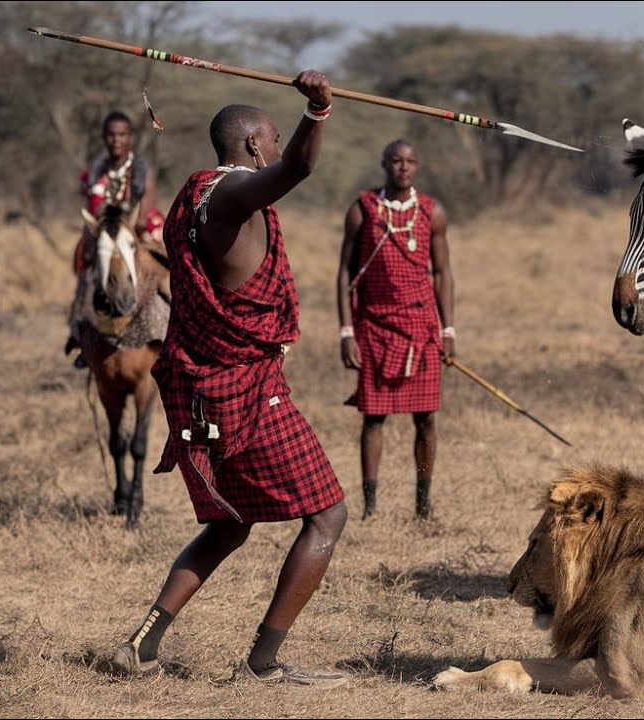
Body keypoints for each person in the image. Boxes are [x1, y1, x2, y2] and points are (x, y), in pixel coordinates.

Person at [110, 70, 349, 687]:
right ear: (251, 146)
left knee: (231, 521)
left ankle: (141, 644)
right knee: (327, 516)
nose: (273, 148)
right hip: (241, 387)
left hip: (204, 385)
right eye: (270, 138)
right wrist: (317, 113)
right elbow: (296, 169)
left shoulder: (191, 200)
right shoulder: (232, 194)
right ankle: (263, 664)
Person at [337, 139, 455, 521]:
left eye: (409, 162)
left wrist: (448, 330)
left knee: (426, 417)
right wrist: (346, 331)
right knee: (373, 417)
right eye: (395, 161)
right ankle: (370, 508)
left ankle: (423, 506)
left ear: (417, 167)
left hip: (421, 327)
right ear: (384, 164)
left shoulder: (431, 212)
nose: (402, 168)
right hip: (374, 326)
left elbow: (442, 273)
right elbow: (345, 274)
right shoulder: (363, 210)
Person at [65, 110, 163, 367]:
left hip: (137, 233)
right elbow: (92, 210)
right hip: (106, 239)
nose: (116, 140)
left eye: (121, 135)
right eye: (111, 135)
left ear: (130, 137)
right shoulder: (97, 172)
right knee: (87, 274)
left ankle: (179, 332)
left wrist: (122, 227)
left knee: (164, 274)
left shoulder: (142, 172)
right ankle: (82, 338)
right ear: (104, 138)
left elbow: (141, 214)